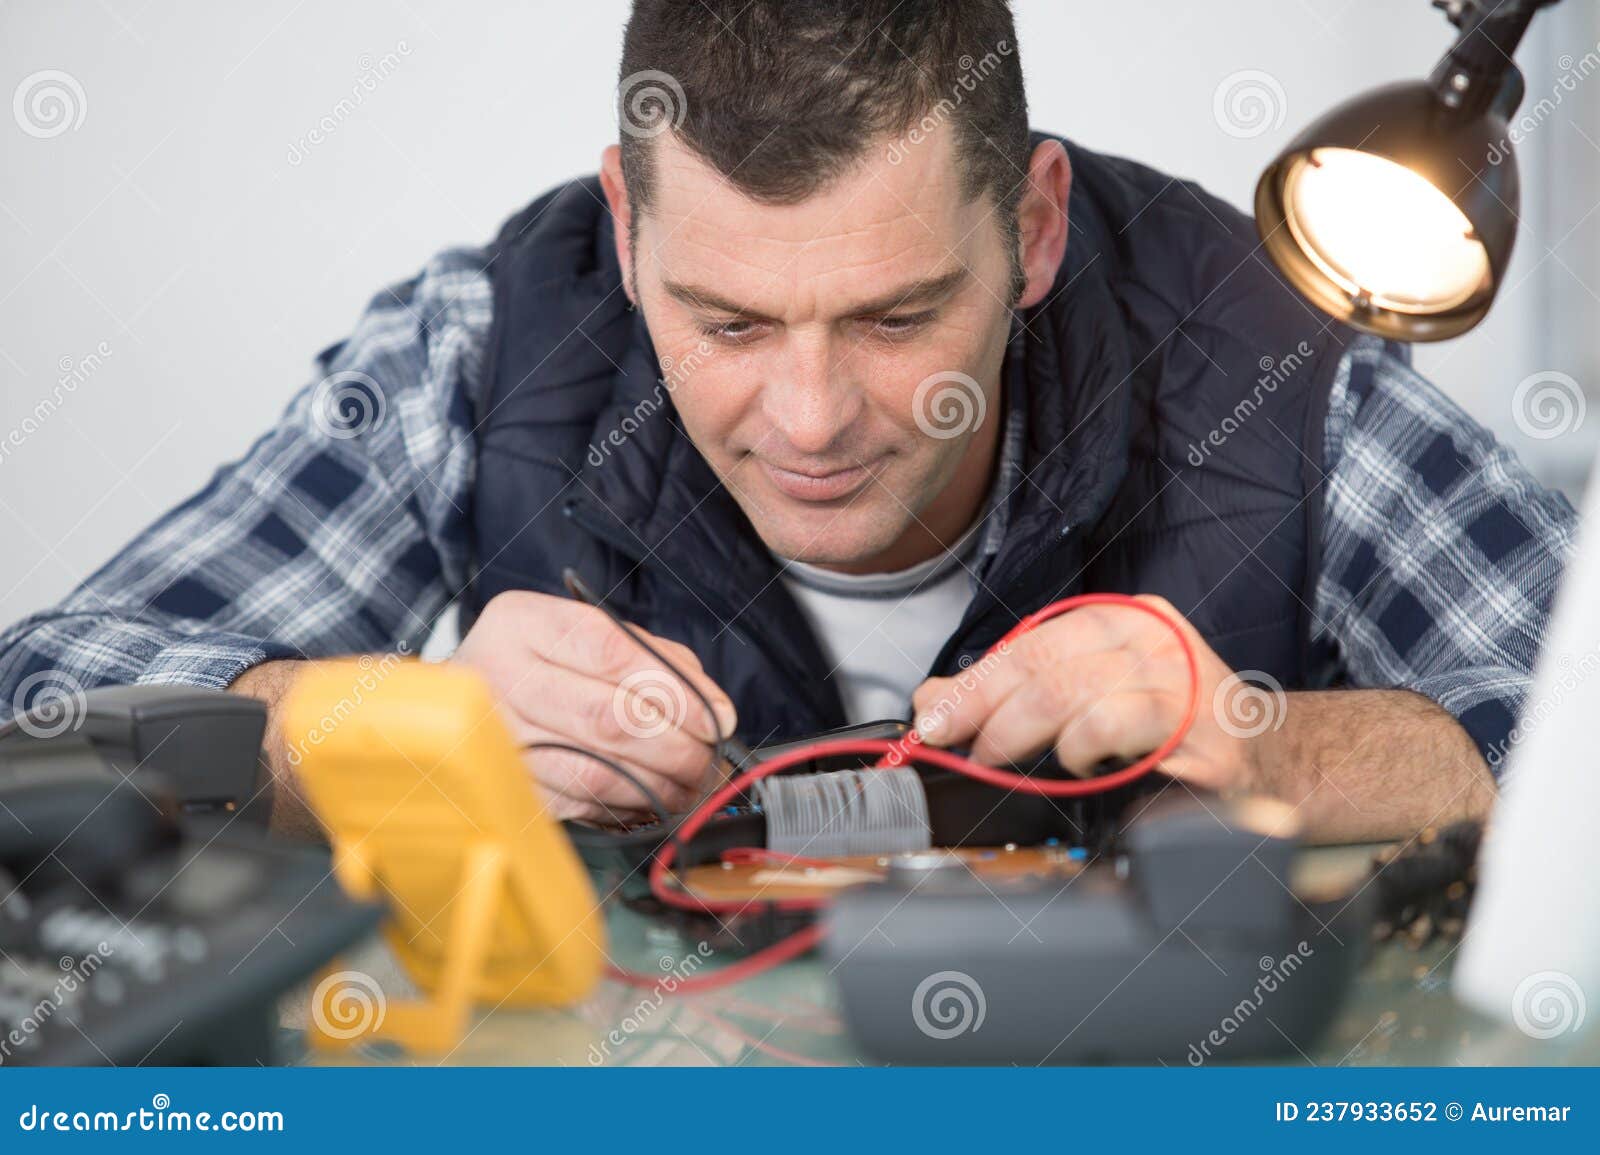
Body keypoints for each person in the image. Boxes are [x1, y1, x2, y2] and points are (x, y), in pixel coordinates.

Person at [0, 0, 1576, 842]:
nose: (812, 418)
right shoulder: (485, 343)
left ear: (1033, 229)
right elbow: (40, 710)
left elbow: (1578, 738)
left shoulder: (1260, 352)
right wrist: (354, 733)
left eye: (896, 318)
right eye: (728, 323)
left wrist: (1271, 739)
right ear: (629, 232)